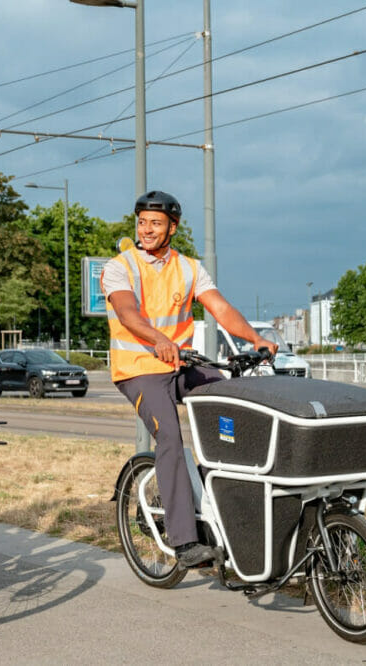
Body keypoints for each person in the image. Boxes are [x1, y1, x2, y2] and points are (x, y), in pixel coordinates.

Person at [102, 191, 278, 568]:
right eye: (142, 222)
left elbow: (220, 308)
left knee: (231, 403)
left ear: (173, 228)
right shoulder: (120, 267)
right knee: (169, 434)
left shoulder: (190, 268)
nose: (147, 229)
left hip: (180, 364)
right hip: (139, 369)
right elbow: (128, 314)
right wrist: (159, 340)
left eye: (156, 223)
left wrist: (255, 339)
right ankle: (184, 541)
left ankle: (214, 496)